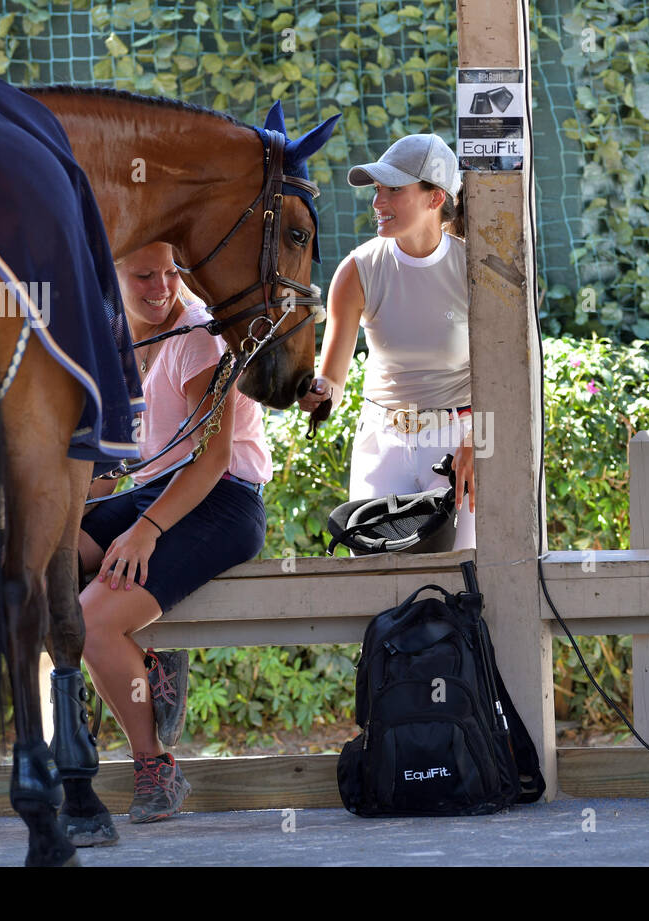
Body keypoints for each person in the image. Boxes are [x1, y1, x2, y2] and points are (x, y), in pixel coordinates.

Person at [79, 242, 271, 822]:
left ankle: (154, 766)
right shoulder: (111, 333)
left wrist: (144, 532)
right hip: (151, 490)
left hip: (224, 498)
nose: (162, 287)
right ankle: (145, 669)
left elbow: (211, 461)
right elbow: (113, 465)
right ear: (111, 273)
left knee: (92, 620)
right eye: (143, 275)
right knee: (41, 562)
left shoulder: (197, 335)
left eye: (171, 272)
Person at [299, 133, 476, 549]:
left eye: (394, 189)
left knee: (464, 577)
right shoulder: (357, 270)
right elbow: (333, 378)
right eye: (378, 190)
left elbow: (503, 370)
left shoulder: (474, 267)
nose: (378, 203)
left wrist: (475, 444)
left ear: (436, 199)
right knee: (375, 577)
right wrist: (319, 393)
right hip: (383, 437)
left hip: (458, 438)